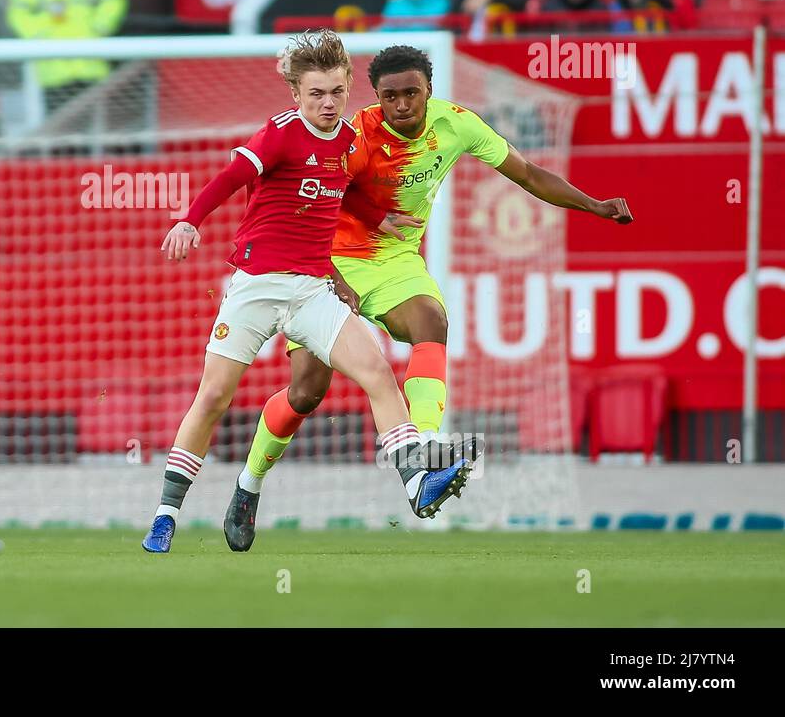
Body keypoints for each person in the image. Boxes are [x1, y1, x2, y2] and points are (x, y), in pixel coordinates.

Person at [229, 45, 634, 550]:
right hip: (327, 257)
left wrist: (594, 205)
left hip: (396, 261)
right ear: (375, 97)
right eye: (389, 96)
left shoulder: (458, 125)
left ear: (429, 91)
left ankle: (420, 449)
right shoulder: (351, 136)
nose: (401, 105)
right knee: (307, 394)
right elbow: (304, 204)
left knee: (431, 321)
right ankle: (248, 486)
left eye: (411, 93)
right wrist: (332, 276)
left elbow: (528, 174)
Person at [141, 31, 472, 555]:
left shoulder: (349, 143)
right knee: (214, 397)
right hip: (255, 287)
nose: (327, 103)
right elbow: (229, 178)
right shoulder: (278, 134)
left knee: (379, 375)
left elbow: (345, 194)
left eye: (337, 92)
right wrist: (189, 220)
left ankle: (415, 483)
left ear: (346, 89)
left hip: (312, 290)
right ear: (296, 94)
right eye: (316, 93)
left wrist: (379, 218)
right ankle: (166, 514)